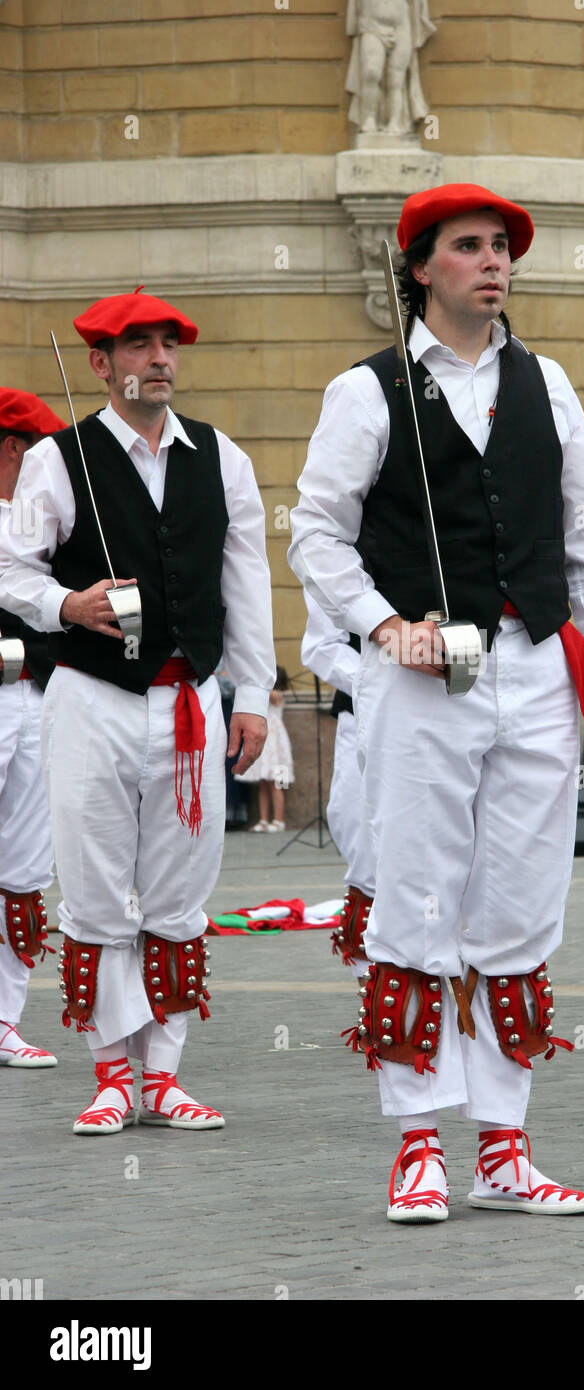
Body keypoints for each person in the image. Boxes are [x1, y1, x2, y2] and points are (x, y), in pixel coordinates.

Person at [290, 183, 584, 1221]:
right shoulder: (368, 390)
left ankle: (502, 1146)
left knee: (520, 909)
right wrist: (383, 622)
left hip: (534, 669)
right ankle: (416, 1144)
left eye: (501, 248)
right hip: (420, 679)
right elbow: (315, 533)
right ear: (421, 265)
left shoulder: (549, 384)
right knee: (417, 903)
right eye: (469, 247)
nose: (493, 262)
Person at [0, 288, 275, 1133]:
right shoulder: (59, 458)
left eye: (168, 344)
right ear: (101, 364)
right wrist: (65, 606)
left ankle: (165, 1074)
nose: (158, 358)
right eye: (138, 346)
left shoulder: (220, 456)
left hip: (188, 698)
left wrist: (254, 693)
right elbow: (13, 570)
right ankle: (111, 1072)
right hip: (91, 695)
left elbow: (246, 580)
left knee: (179, 890)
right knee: (92, 886)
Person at [0, 389, 66, 1069]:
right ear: (15, 449)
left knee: (24, 864)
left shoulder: (45, 521)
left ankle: (4, 1018)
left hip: (37, 696)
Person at [301, 591, 375, 971]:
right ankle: (380, 1007)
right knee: (364, 848)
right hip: (365, 711)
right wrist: (384, 683)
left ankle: (466, 1018)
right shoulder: (338, 539)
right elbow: (321, 647)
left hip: (460, 706)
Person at [233, 664, 294, 831]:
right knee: (262, 783)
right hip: (265, 745)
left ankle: (279, 820)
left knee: (278, 784)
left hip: (277, 745)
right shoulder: (264, 695)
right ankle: (264, 819)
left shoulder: (276, 695)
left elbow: (271, 696)